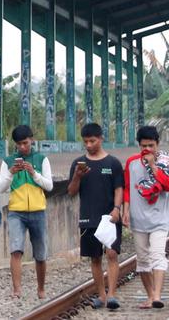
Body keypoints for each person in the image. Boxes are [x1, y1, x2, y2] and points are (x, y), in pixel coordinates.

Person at [68, 122, 124, 311]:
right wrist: (77, 176)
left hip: (109, 217)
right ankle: (101, 295)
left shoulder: (113, 163)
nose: (89, 145)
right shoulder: (78, 164)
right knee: (95, 257)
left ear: (101, 138)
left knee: (112, 253)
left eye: (92, 141)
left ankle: (112, 295)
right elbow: (71, 192)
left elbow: (119, 188)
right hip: (88, 217)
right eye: (86, 142)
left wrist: (117, 208)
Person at [0, 125, 54, 299]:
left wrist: (33, 173)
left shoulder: (42, 159)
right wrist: (11, 173)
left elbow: (49, 186)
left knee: (41, 254)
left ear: (32, 140)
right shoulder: (8, 162)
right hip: (16, 212)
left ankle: (41, 289)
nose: (22, 147)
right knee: (16, 250)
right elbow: (1, 188)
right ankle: (17, 290)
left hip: (38, 211)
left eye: (25, 143)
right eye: (18, 144)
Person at [123, 125, 169, 309]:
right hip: (139, 218)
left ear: (158, 144)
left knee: (157, 255)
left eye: (151, 145)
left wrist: (153, 166)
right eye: (144, 146)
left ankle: (157, 296)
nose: (147, 150)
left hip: (160, 219)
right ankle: (150, 295)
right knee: (143, 259)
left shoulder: (167, 161)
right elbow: (128, 188)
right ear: (139, 145)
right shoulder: (131, 163)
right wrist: (125, 210)